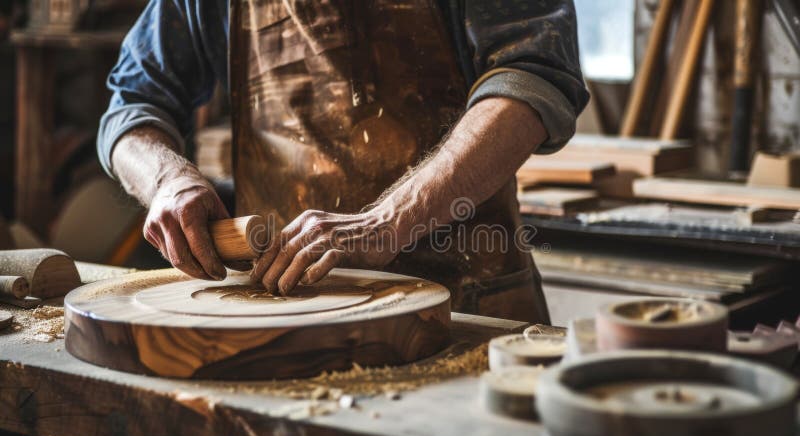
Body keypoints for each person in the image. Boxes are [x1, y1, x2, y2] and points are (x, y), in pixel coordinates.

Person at [98, 0, 589, 323]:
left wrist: (387, 222)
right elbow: (133, 104)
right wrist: (169, 180)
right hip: (281, 314)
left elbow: (533, 78)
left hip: (465, 307)